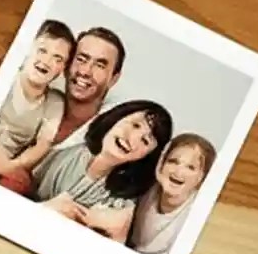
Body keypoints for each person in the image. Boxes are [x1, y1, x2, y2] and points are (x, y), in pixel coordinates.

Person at [33, 100, 173, 243]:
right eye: (135, 125)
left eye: (145, 141)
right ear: (115, 119)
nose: (132, 139)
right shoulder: (67, 155)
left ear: (146, 157)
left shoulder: (123, 203)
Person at [0, 19, 75, 194]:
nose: (46, 61)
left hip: (5, 167)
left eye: (57, 58)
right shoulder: (7, 77)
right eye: (42, 50)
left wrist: (10, 166)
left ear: (63, 68)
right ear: (29, 48)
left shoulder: (54, 102)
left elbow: (42, 145)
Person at [128, 133, 217, 254]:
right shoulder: (145, 189)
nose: (178, 172)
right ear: (162, 163)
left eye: (191, 167)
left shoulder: (197, 216)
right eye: (173, 162)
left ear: (202, 177)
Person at [53, 27, 127, 146]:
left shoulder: (108, 139)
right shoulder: (38, 100)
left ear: (113, 79)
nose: (85, 71)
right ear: (67, 64)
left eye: (100, 65)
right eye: (81, 59)